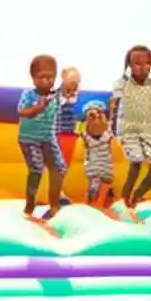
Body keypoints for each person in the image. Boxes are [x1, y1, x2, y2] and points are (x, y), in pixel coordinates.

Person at [110, 45, 151, 220]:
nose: (142, 67)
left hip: (146, 131)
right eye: (137, 63)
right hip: (127, 130)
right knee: (136, 161)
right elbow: (114, 102)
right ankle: (124, 200)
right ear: (129, 65)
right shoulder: (123, 83)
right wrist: (111, 123)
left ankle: (136, 197)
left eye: (146, 63)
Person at [17, 54, 66, 219]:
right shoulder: (29, 95)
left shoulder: (57, 94)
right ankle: (29, 206)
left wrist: (69, 79)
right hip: (29, 139)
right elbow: (22, 112)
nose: (47, 81)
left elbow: (70, 87)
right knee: (36, 168)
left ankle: (54, 206)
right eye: (42, 77)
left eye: (50, 77)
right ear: (33, 79)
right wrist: (37, 108)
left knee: (59, 168)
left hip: (47, 138)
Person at [79, 101, 116, 209]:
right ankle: (98, 203)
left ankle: (89, 203)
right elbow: (112, 121)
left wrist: (88, 116)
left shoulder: (87, 137)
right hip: (104, 168)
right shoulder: (107, 134)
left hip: (94, 168)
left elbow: (80, 128)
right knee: (102, 188)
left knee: (92, 188)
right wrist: (111, 108)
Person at [54, 66, 82, 204]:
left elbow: (80, 116)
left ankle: (58, 190)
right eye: (71, 82)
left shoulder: (78, 97)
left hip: (71, 135)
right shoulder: (56, 95)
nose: (73, 86)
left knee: (65, 163)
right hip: (58, 133)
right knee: (59, 163)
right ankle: (56, 191)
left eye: (76, 83)